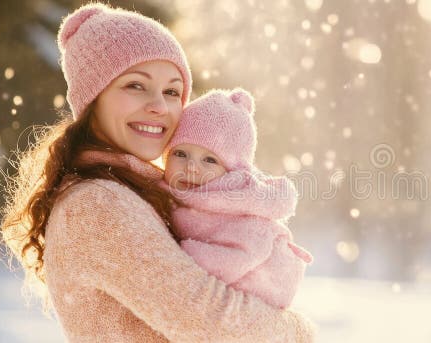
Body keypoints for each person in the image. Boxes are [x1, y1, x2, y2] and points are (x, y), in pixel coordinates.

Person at [0, 3, 316, 342]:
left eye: (172, 92)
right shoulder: (96, 204)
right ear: (93, 97)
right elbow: (211, 320)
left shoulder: (137, 190)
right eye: (136, 85)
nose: (159, 107)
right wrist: (297, 332)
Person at [83, 88, 314, 309]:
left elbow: (240, 256)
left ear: (233, 169)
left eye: (210, 160)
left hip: (259, 288)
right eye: (180, 154)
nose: (192, 167)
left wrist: (181, 255)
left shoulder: (241, 206)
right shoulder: (165, 190)